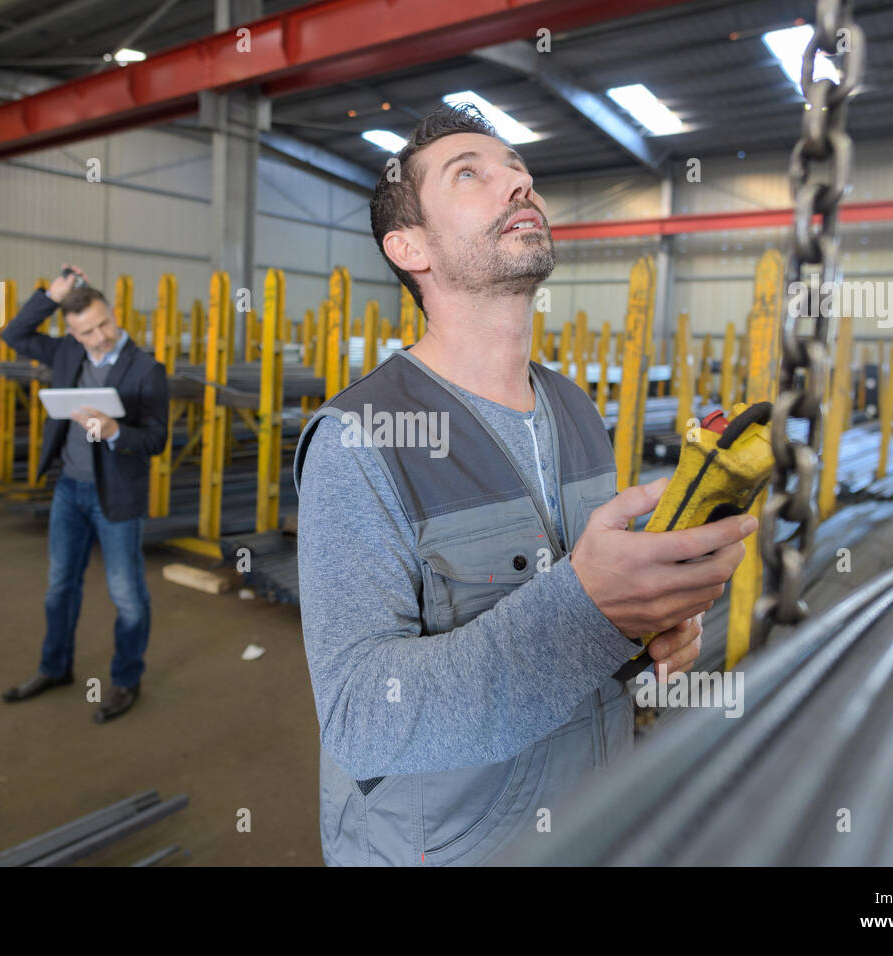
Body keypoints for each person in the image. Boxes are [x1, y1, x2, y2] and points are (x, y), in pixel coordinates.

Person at [293, 104, 756, 865]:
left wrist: (642, 629)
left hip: (591, 818)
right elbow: (359, 717)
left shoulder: (575, 407)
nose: (519, 185)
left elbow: (588, 619)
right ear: (410, 247)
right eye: (471, 174)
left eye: (521, 171)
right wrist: (590, 613)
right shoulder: (362, 436)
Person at [0, 265, 169, 723]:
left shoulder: (147, 369)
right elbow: (14, 334)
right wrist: (50, 295)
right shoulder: (67, 355)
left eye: (104, 325)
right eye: (86, 331)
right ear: (71, 332)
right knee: (59, 587)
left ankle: (126, 681)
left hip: (115, 497)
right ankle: (54, 669)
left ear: (113, 315)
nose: (99, 337)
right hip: (69, 491)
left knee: (126, 594)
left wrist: (116, 431)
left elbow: (155, 439)